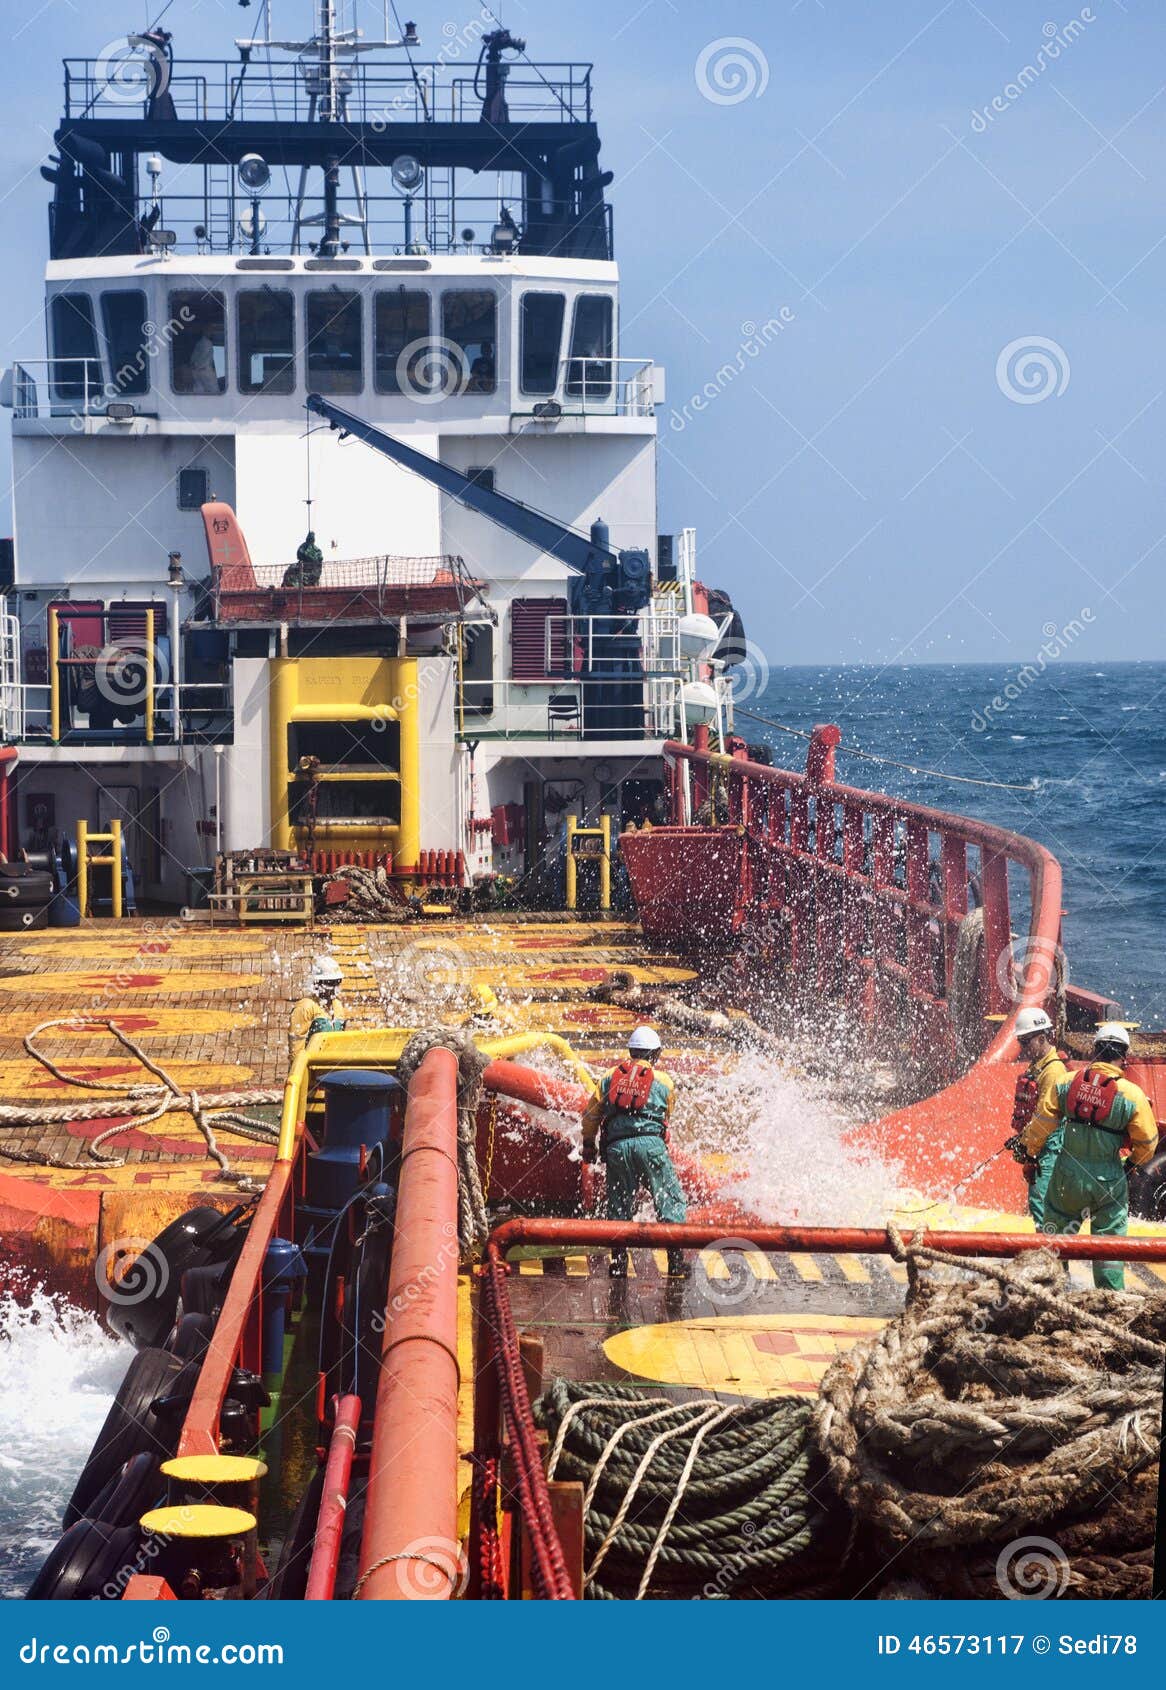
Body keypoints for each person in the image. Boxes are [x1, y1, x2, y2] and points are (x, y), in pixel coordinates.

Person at [1025, 1022, 1158, 1290]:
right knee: (1109, 1248)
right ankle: (1110, 1301)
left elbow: (1040, 1126)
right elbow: (1147, 1143)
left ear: (1094, 1050)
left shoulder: (1066, 1082)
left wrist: (1030, 1153)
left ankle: (1054, 1294)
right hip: (1108, 1182)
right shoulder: (1132, 1095)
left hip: (1066, 1179)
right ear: (1124, 1056)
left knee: (1054, 1244)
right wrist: (1130, 1164)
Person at [582, 1024, 688, 1278]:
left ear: (631, 1051)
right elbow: (666, 1115)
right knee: (670, 1201)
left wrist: (589, 1144)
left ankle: (618, 1263)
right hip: (651, 1147)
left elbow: (590, 1115)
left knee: (619, 1206)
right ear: (656, 1054)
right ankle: (675, 1261)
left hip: (617, 1149)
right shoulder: (664, 1081)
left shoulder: (608, 1077)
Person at [1007, 1006, 1069, 1228]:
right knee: (1039, 1203)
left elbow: (1046, 1118)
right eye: (1020, 1042)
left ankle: (1050, 1255)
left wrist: (1026, 1147)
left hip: (1050, 1148)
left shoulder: (1053, 1072)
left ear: (1042, 1038)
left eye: (1026, 1041)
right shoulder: (1038, 1067)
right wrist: (1023, 1140)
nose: (1022, 1048)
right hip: (1039, 1145)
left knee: (1041, 1204)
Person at [288, 955, 347, 1061]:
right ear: (317, 983)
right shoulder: (306, 1007)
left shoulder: (338, 1006)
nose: (333, 988)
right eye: (329, 983)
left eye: (337, 982)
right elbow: (296, 1051)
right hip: (313, 1069)